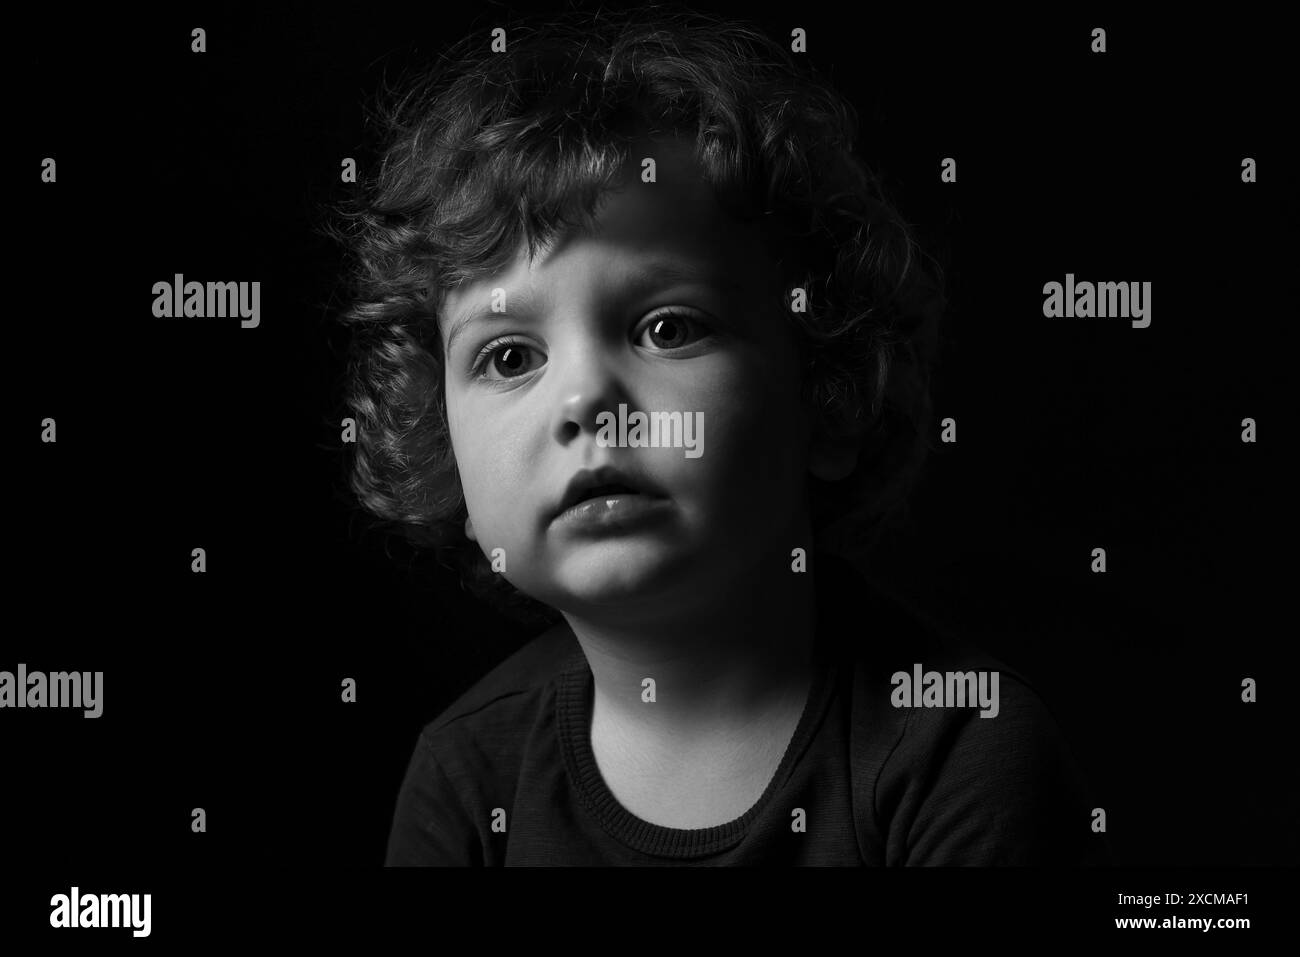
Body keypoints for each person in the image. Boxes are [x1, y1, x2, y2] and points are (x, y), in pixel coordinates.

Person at [327, 4, 1108, 865]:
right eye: (510, 355)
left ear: (829, 397)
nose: (586, 399)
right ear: (445, 459)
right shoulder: (468, 781)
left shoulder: (959, 753)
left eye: (667, 328)